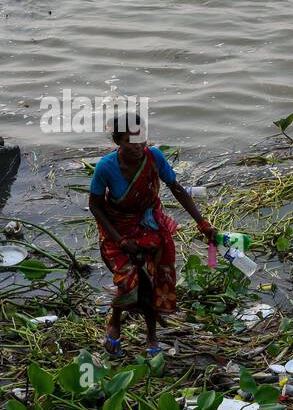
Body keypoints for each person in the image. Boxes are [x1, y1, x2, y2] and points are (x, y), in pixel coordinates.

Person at [88, 113, 215, 355]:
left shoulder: (154, 157)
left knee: (151, 283)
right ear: (118, 141)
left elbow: (176, 188)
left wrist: (203, 224)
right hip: (117, 231)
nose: (138, 147)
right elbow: (95, 206)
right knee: (128, 282)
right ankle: (115, 320)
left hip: (149, 226)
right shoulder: (106, 167)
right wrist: (120, 240)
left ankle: (151, 336)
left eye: (141, 140)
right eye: (130, 141)